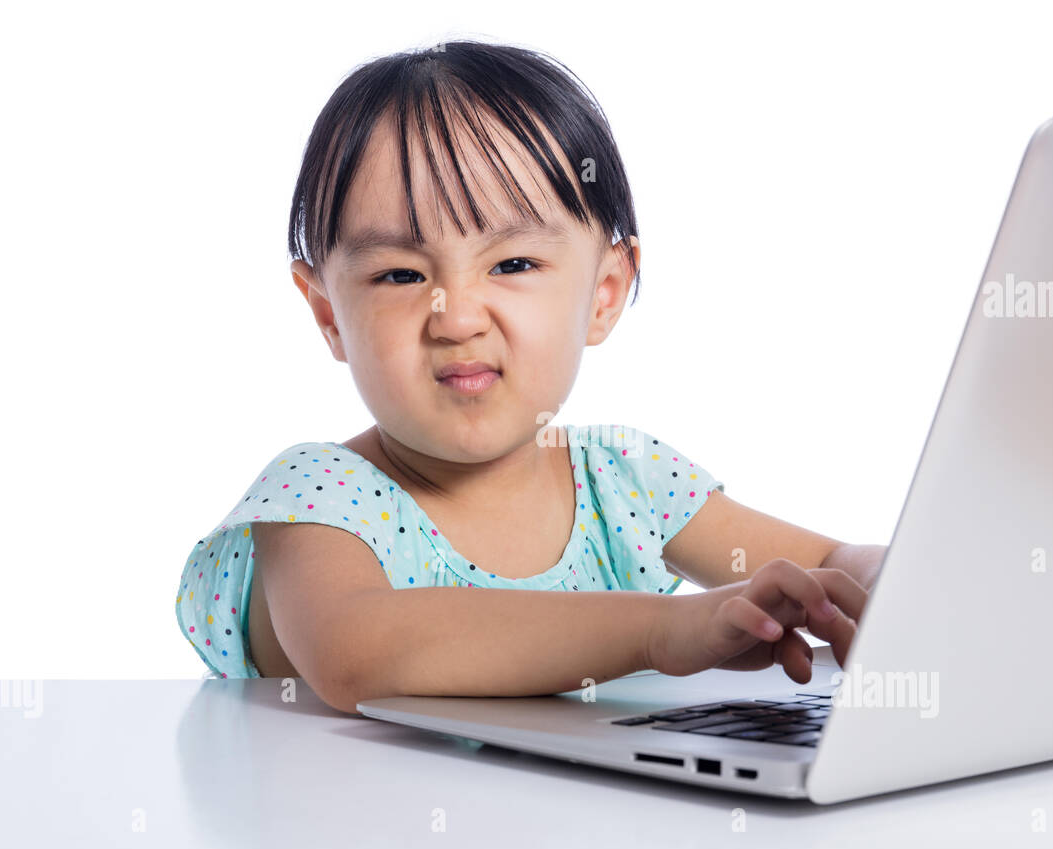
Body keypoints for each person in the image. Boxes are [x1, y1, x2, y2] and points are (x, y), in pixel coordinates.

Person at [174, 39, 885, 711]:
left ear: (604, 293)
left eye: (512, 265)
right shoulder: (318, 499)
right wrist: (658, 632)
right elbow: (357, 651)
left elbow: (827, 566)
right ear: (330, 315)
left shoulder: (620, 479)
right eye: (399, 274)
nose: (455, 319)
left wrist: (884, 576)